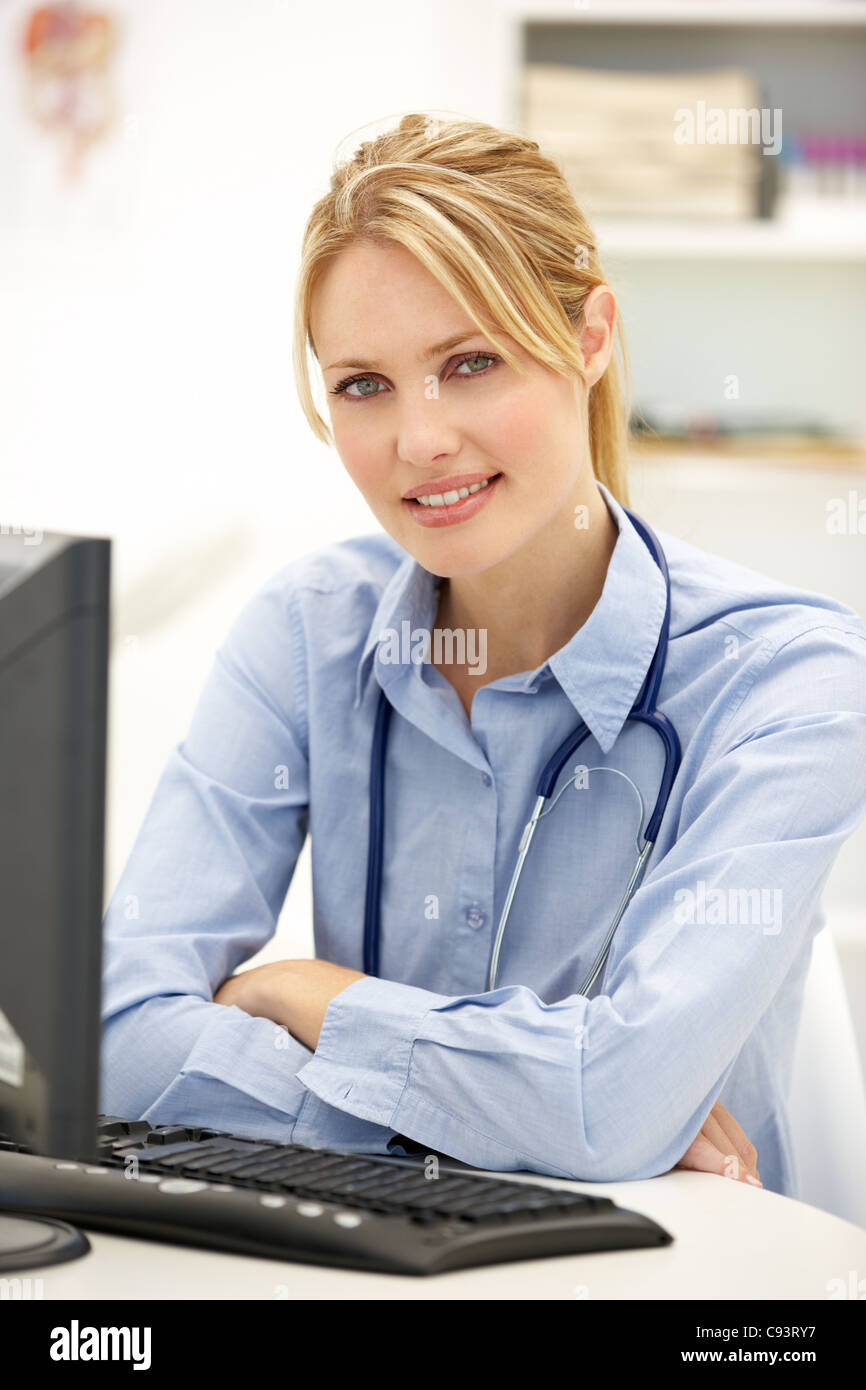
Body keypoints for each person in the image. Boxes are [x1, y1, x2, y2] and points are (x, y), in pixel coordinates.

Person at [101, 113, 866, 1198]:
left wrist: (310, 995)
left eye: (469, 362)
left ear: (590, 337)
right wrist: (526, 1123)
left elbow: (613, 1102)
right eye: (362, 383)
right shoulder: (306, 629)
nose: (418, 440)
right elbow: (118, 1029)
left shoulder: (787, 680)